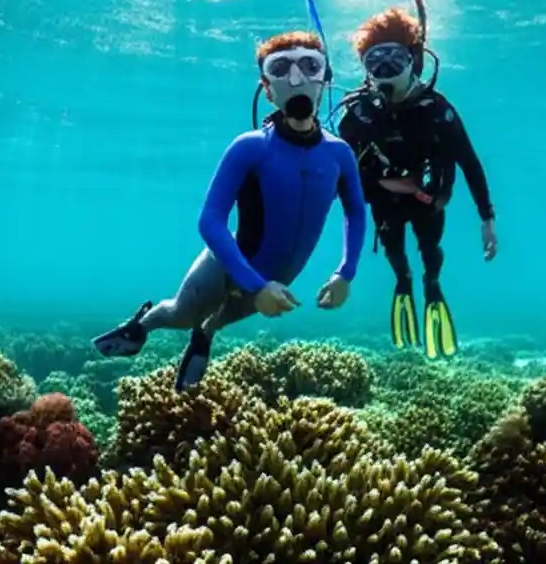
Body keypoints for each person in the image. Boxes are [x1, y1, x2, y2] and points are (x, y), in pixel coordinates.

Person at [92, 28, 368, 392]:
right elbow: (210, 221)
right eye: (281, 69)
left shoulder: (339, 154)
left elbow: (356, 211)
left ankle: (203, 337)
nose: (296, 79)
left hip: (273, 281)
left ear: (324, 79)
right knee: (181, 313)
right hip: (226, 266)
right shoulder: (250, 148)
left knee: (216, 321)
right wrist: (256, 285)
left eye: (309, 66)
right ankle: (141, 326)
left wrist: (345, 273)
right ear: (266, 89)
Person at [336, 0, 498, 360]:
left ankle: (432, 284)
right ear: (365, 67)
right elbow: (342, 178)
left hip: (429, 200)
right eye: (376, 61)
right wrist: (396, 185)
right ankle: (403, 282)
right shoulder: (357, 117)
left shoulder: (437, 111)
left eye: (395, 59)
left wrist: (487, 218)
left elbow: (470, 163)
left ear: (415, 60)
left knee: (429, 248)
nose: (385, 71)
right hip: (386, 202)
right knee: (394, 250)